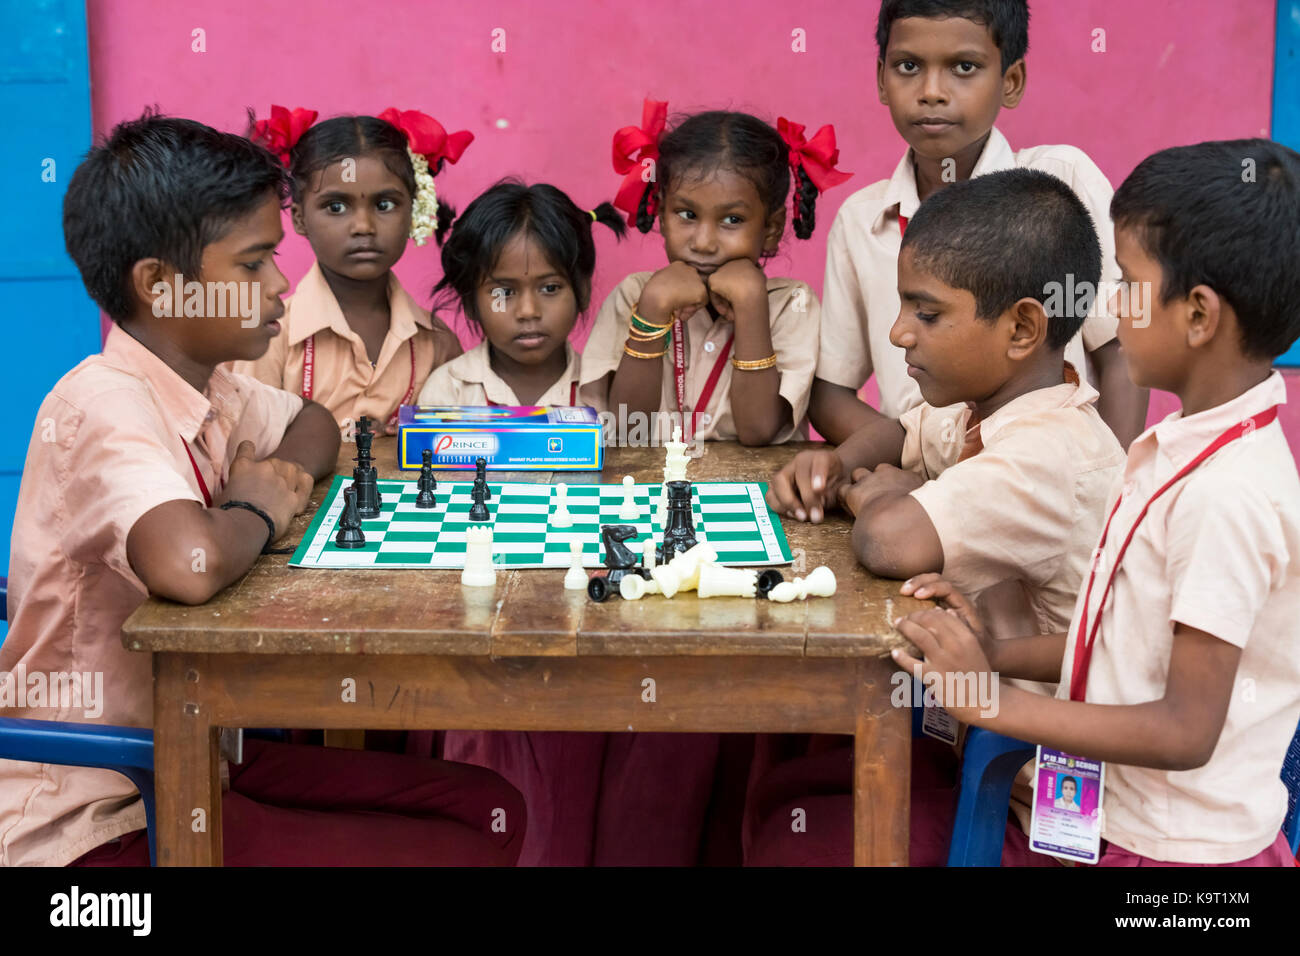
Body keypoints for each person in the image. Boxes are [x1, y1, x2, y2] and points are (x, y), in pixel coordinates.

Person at [0, 112, 525, 866]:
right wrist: (255, 507)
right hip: (97, 805)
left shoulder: (208, 385)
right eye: (252, 266)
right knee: (461, 849)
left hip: (193, 743)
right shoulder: (101, 404)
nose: (281, 285)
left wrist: (271, 481)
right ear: (160, 285)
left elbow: (312, 422)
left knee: (491, 809)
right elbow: (191, 563)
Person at [896, 139, 1300, 867]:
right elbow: (1125, 648)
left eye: (1131, 286)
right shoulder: (1178, 447)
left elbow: (1185, 728)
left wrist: (994, 702)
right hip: (1103, 825)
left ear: (1200, 315)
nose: (1110, 307)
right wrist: (999, 653)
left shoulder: (1228, 494)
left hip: (1172, 861)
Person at [752, 168, 1127, 866]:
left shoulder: (1048, 454)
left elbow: (889, 541)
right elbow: (900, 434)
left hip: (1043, 803)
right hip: (985, 746)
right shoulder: (990, 407)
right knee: (785, 790)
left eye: (925, 314)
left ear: (1021, 327)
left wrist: (874, 497)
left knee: (794, 841)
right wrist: (837, 465)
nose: (898, 334)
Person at [809, 0, 1148, 447]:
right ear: (881, 79)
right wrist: (919, 458)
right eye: (908, 66)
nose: (931, 91)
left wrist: (1102, 494)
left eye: (963, 67)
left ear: (1011, 81)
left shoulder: (1061, 183)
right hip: (918, 494)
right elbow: (830, 392)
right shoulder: (861, 219)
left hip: (1048, 489)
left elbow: (1120, 350)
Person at [579, 102, 851, 445]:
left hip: (757, 493)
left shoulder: (792, 305)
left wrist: (752, 306)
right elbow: (630, 429)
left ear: (770, 229)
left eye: (732, 220)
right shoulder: (635, 296)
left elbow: (759, 431)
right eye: (687, 214)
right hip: (652, 490)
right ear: (661, 214)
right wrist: (651, 315)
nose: (704, 243)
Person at [231, 106, 467, 432]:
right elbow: (244, 445)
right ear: (299, 218)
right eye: (336, 206)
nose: (363, 226)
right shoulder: (268, 337)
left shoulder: (437, 344)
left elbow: (456, 451)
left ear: (413, 210)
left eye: (384, 205)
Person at [416, 180, 624, 407]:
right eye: (504, 292)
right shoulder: (448, 393)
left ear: (582, 291)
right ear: (470, 302)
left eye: (550, 288)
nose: (528, 311)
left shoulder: (602, 393)